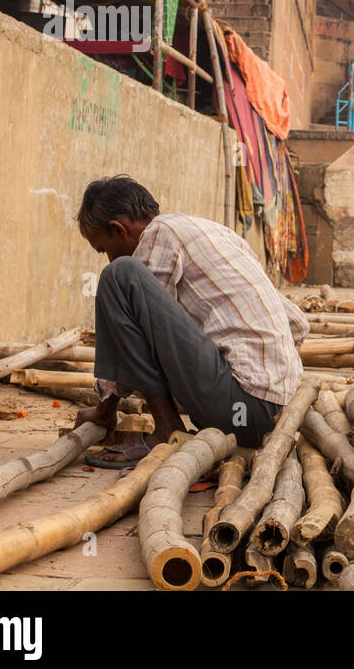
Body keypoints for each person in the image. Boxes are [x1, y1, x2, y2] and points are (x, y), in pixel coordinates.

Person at [73, 175, 308, 465]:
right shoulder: (218, 233)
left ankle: (165, 429)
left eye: (102, 249)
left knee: (119, 276)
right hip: (279, 416)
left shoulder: (159, 234)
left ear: (117, 229)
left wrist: (105, 410)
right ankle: (179, 423)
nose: (106, 258)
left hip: (240, 407)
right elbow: (298, 323)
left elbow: (138, 334)